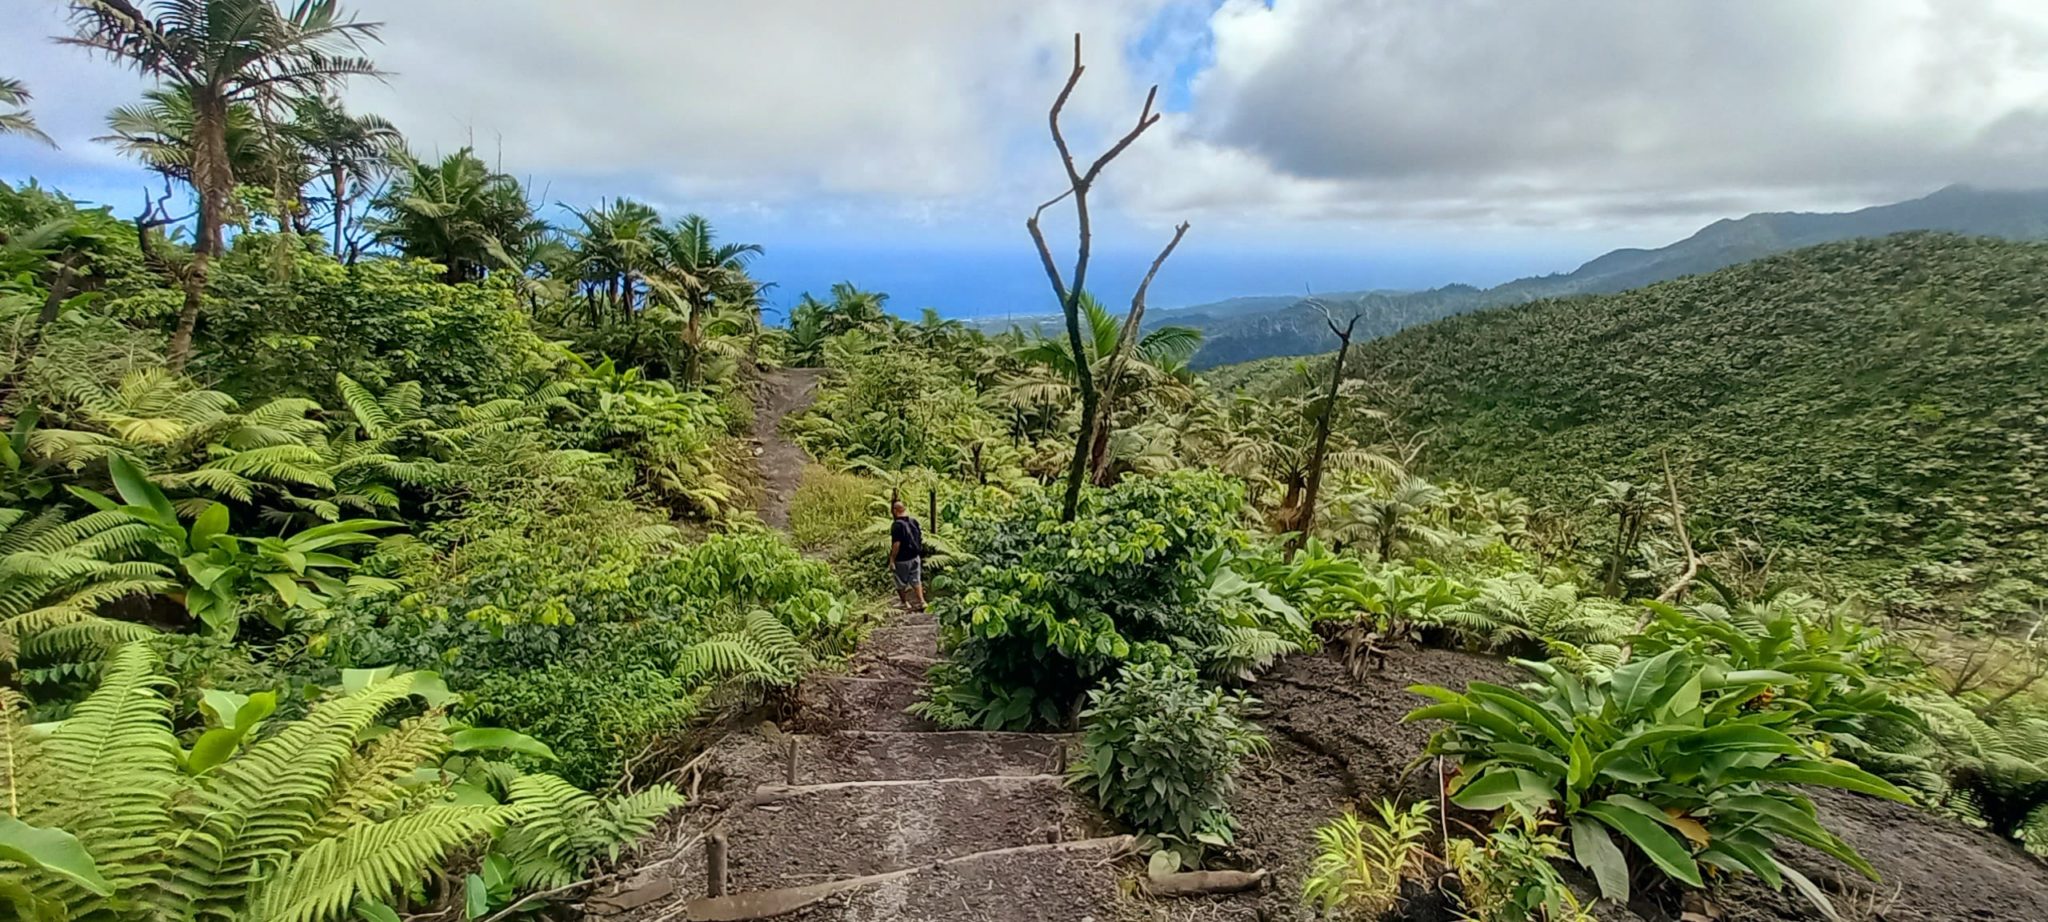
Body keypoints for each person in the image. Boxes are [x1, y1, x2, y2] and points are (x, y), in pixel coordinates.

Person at [888, 499, 926, 613]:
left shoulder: (896, 525)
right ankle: (922, 601)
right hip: (915, 556)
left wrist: (892, 560)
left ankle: (904, 603)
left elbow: (896, 544)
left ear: (895, 511)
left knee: (899, 581)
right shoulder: (913, 521)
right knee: (916, 580)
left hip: (902, 559)